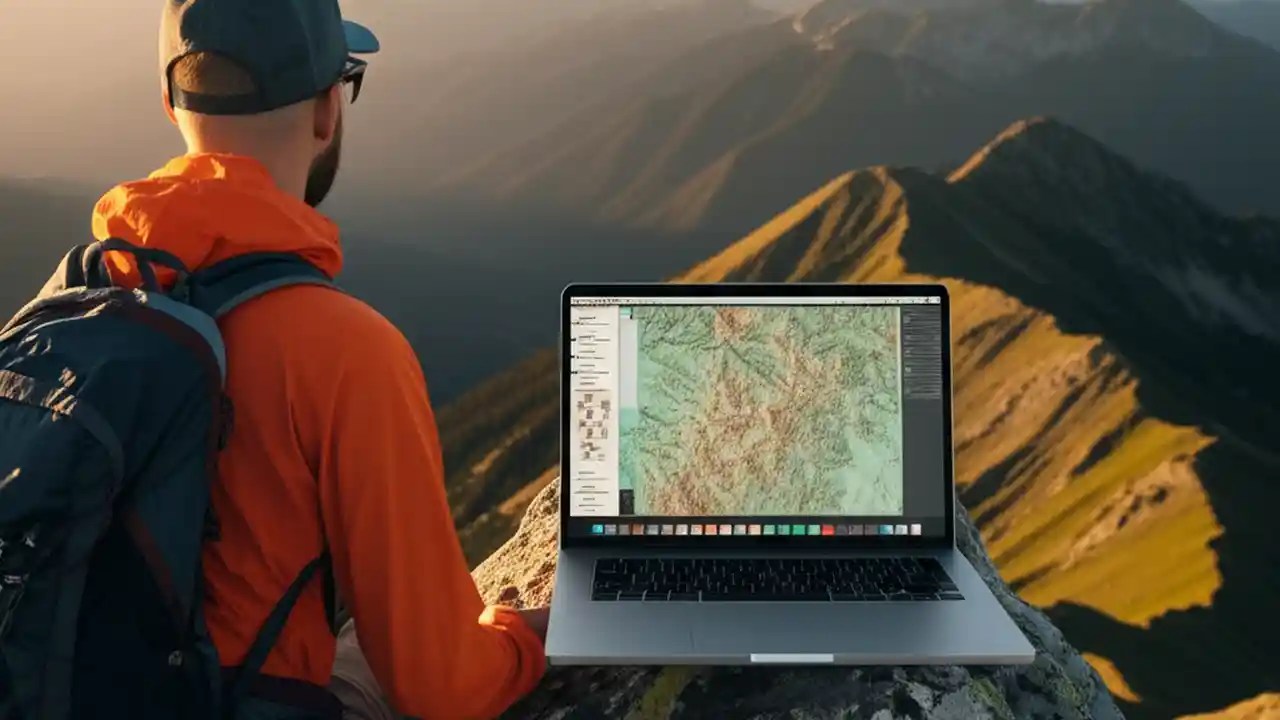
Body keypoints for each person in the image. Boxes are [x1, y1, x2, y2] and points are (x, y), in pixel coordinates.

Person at [88, 1, 548, 717]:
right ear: (329, 108)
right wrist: (528, 636)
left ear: (170, 102)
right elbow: (442, 689)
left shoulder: (89, 296)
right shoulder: (345, 350)